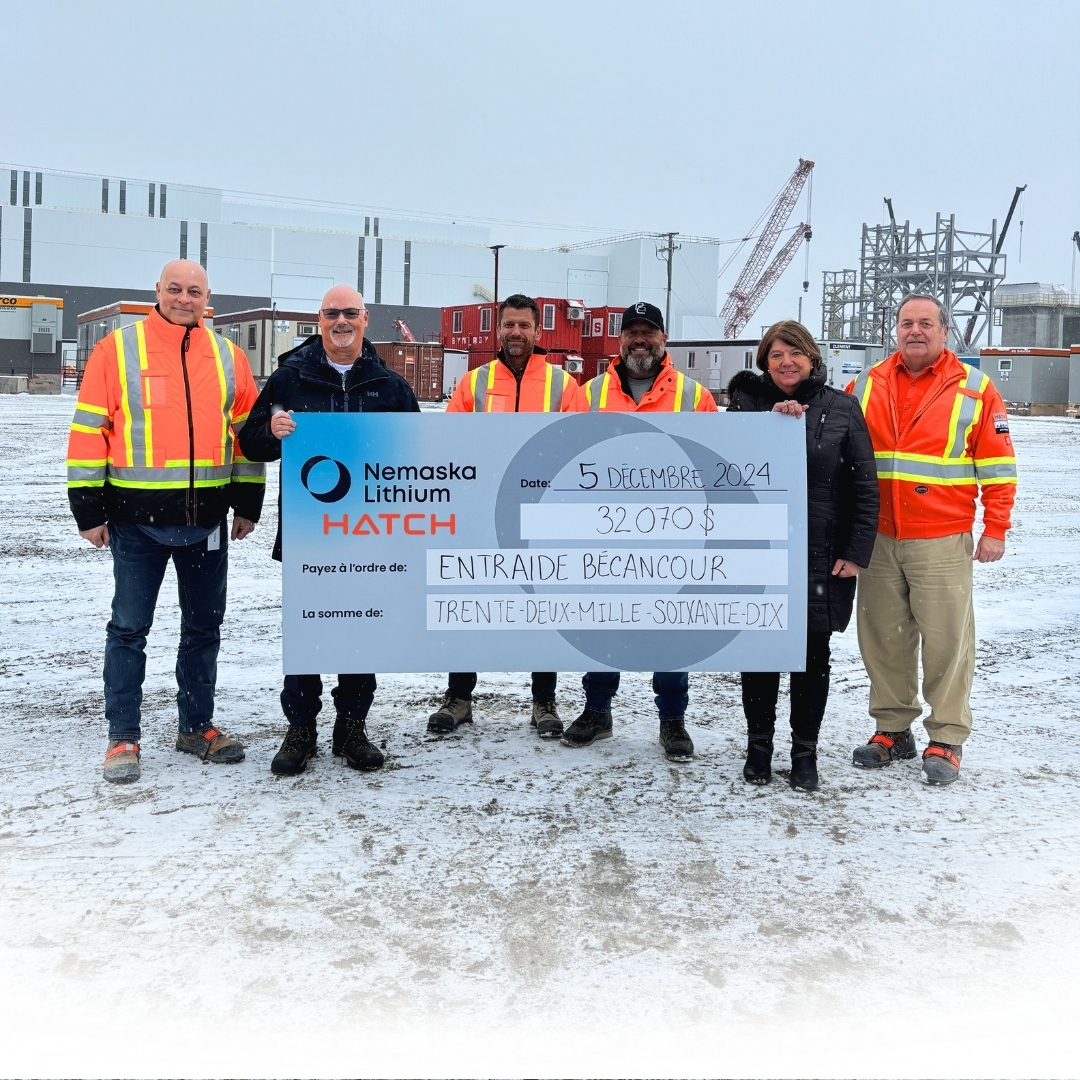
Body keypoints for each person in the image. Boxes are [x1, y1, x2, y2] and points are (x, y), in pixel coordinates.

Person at [67, 260, 265, 784]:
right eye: (175, 289)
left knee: (204, 628)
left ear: (207, 298)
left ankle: (196, 727)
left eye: (194, 291)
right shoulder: (118, 349)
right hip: (135, 523)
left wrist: (247, 501)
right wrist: (87, 509)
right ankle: (123, 737)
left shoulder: (228, 356)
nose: (184, 298)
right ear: (157, 291)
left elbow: (247, 435)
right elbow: (90, 429)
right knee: (130, 629)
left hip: (208, 521)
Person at [238, 286, 419, 776]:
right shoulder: (289, 378)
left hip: (370, 536)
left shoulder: (391, 387)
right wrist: (271, 431)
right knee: (307, 633)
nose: (342, 321)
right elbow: (249, 442)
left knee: (361, 631)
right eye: (332, 313)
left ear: (366, 319)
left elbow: (417, 460)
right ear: (319, 320)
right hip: (309, 534)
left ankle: (353, 725)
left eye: (351, 314)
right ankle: (300, 729)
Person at [847, 294, 1017, 785]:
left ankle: (946, 737)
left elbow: (999, 466)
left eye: (926, 323)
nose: (915, 330)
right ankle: (893, 730)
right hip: (878, 537)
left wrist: (996, 528)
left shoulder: (975, 389)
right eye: (906, 323)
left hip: (941, 538)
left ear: (946, 332)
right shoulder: (865, 384)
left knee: (947, 642)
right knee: (883, 639)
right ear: (895, 330)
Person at [727, 321, 878, 791]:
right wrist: (769, 422)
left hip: (820, 555)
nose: (786, 362)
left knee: (813, 655)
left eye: (794, 353)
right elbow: (724, 471)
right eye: (776, 355)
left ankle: (804, 752)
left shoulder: (842, 408)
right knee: (760, 654)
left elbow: (865, 488)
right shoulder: (745, 408)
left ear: (812, 357)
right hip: (759, 552)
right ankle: (759, 747)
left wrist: (854, 553)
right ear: (763, 362)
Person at [569, 301, 717, 761]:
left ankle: (673, 720)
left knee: (670, 631)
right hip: (602, 533)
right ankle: (597, 711)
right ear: (619, 340)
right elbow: (565, 460)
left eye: (648, 332)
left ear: (663, 340)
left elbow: (714, 464)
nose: (639, 340)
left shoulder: (695, 398)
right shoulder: (587, 394)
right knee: (601, 624)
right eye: (631, 331)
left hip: (672, 535)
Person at [429, 294, 582, 740]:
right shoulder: (474, 383)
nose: (516, 333)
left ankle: (544, 701)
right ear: (498, 330)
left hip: (543, 516)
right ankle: (459, 698)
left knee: (543, 605)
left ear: (538, 333)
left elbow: (576, 449)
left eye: (524, 326)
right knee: (470, 603)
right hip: (479, 511)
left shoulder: (562, 386)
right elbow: (451, 447)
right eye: (508, 325)